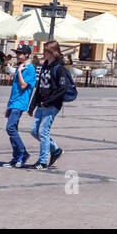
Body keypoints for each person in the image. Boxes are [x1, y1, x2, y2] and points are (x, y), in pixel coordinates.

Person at [27, 40, 71, 170]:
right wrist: (32, 105)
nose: (43, 53)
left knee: (43, 132)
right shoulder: (45, 66)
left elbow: (62, 89)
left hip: (52, 105)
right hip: (41, 104)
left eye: (45, 51)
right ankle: (55, 150)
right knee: (34, 131)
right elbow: (39, 87)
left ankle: (42, 161)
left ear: (53, 52)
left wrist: (48, 101)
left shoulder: (59, 68)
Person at [3, 46, 36, 168]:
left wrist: (19, 72)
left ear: (26, 54)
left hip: (20, 103)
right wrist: (8, 106)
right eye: (17, 53)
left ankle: (23, 153)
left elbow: (23, 86)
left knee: (10, 128)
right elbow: (14, 90)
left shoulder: (30, 69)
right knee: (13, 130)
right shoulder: (20, 67)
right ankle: (16, 156)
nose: (17, 55)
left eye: (19, 53)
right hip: (13, 102)